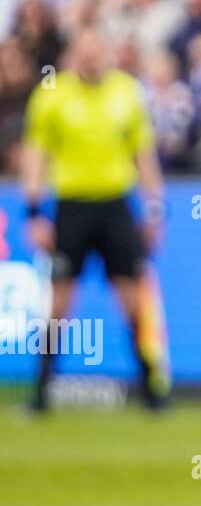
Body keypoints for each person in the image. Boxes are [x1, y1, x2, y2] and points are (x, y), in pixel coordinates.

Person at [20, 26, 169, 412]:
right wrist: (35, 213)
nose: (90, 58)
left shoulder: (127, 92)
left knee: (133, 299)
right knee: (60, 302)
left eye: (96, 50)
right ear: (74, 54)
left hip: (116, 206)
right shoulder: (52, 94)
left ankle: (150, 386)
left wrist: (154, 210)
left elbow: (144, 155)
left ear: (107, 52)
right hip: (70, 207)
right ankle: (42, 390)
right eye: (82, 52)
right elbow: (36, 156)